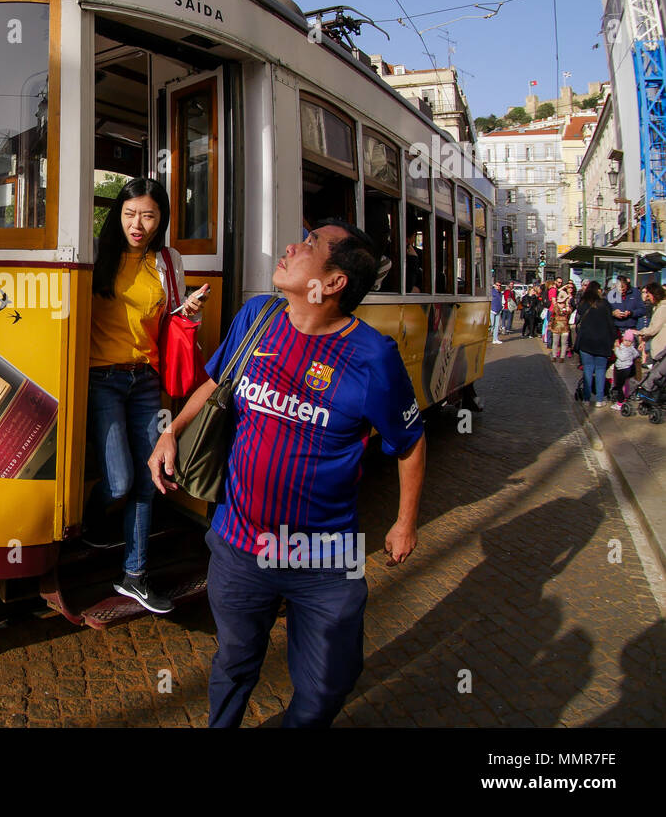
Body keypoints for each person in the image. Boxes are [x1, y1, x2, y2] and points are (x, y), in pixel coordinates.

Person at [150, 220, 426, 728]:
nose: (291, 247)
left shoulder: (373, 358)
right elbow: (215, 382)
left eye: (311, 244)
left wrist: (405, 522)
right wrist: (171, 432)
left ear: (335, 282)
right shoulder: (257, 317)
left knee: (327, 688)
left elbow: (409, 443)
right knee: (233, 665)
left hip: (324, 559)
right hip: (237, 546)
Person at [84, 178, 205, 612]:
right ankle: (92, 524)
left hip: (147, 379)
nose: (139, 224)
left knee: (150, 474)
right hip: (102, 378)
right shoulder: (96, 254)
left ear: (160, 220)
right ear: (118, 214)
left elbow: (166, 316)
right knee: (118, 480)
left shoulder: (168, 261)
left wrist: (184, 310)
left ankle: (134, 575)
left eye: (149, 215)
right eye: (131, 213)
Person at [573, 280, 616, 408]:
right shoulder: (605, 304)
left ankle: (586, 398)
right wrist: (614, 340)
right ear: (598, 290)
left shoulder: (583, 304)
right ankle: (599, 399)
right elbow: (610, 324)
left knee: (587, 370)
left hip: (586, 342)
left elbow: (579, 318)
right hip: (602, 343)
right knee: (601, 371)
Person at [636, 283, 666, 364]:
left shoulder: (662, 309)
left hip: (661, 349)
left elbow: (654, 329)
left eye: (648, 295)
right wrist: (644, 340)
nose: (647, 298)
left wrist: (639, 332)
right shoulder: (658, 307)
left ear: (654, 294)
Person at [611, 330, 639, 404]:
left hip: (622, 369)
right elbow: (636, 354)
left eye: (629, 341)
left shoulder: (624, 348)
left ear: (631, 342)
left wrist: (616, 349)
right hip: (628, 368)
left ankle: (620, 402)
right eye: (626, 340)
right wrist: (631, 357)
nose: (627, 342)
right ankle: (626, 396)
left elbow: (621, 357)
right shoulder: (631, 348)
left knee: (619, 385)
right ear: (623, 339)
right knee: (625, 383)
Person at [549, 284, 573, 362]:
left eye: (563, 302)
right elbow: (552, 315)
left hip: (565, 327)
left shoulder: (567, 308)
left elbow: (569, 314)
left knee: (564, 342)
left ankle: (562, 357)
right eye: (560, 302)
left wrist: (567, 306)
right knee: (555, 342)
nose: (561, 303)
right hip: (556, 327)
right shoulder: (556, 307)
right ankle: (554, 356)